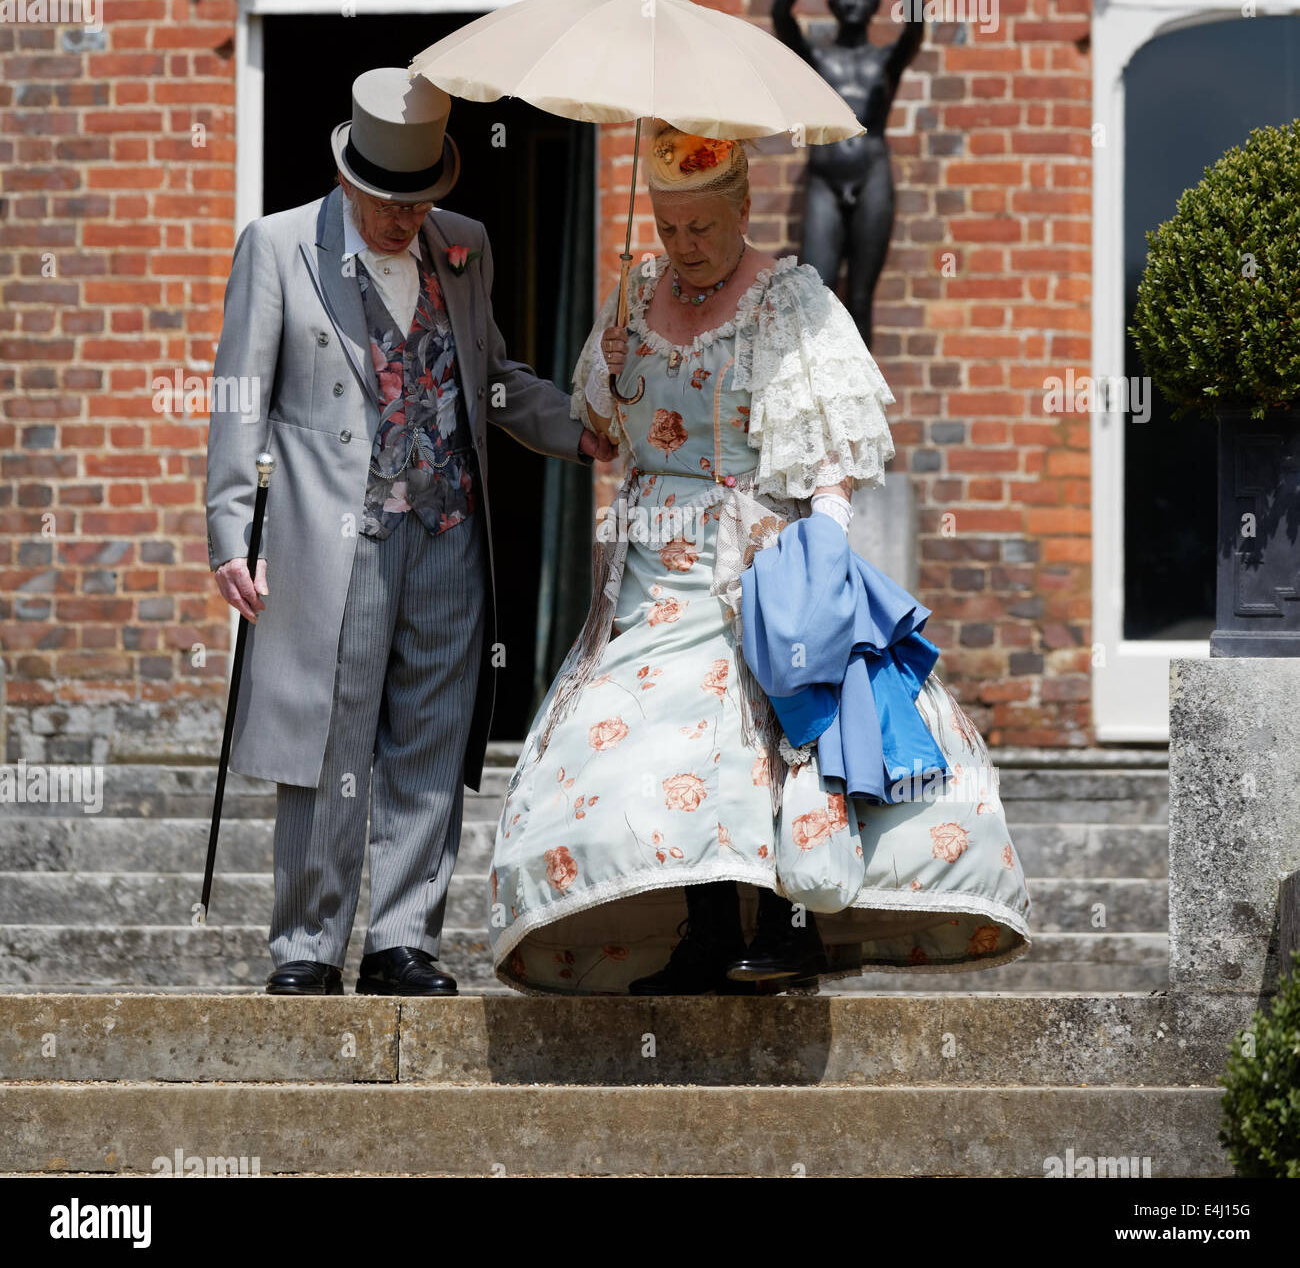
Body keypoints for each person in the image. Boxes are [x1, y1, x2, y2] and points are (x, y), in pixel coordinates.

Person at [486, 121, 1031, 995]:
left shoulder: (789, 297)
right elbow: (605, 436)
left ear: (743, 207)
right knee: (659, 745)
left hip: (757, 561)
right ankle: (703, 933)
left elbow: (828, 453)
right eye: (668, 227)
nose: (684, 245)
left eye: (701, 226)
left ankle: (782, 928)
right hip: (648, 568)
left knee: (765, 736)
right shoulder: (632, 295)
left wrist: (825, 550)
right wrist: (613, 373)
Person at [205, 67, 614, 997]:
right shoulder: (277, 249)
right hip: (331, 536)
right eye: (388, 199)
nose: (404, 217)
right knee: (328, 739)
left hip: (448, 534)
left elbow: (492, 376)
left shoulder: (463, 247)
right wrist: (231, 529)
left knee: (432, 737)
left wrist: (578, 430)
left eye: (420, 198)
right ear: (349, 175)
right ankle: (307, 947)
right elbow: (238, 398)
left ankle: (401, 940)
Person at [772, 0, 926, 350]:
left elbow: (915, 29)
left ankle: (863, 407)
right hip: (824, 180)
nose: (853, 0)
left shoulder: (885, 63)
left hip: (872, 175)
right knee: (814, 292)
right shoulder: (817, 59)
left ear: (875, 4)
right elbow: (781, 15)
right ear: (833, 4)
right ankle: (811, 396)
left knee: (860, 298)